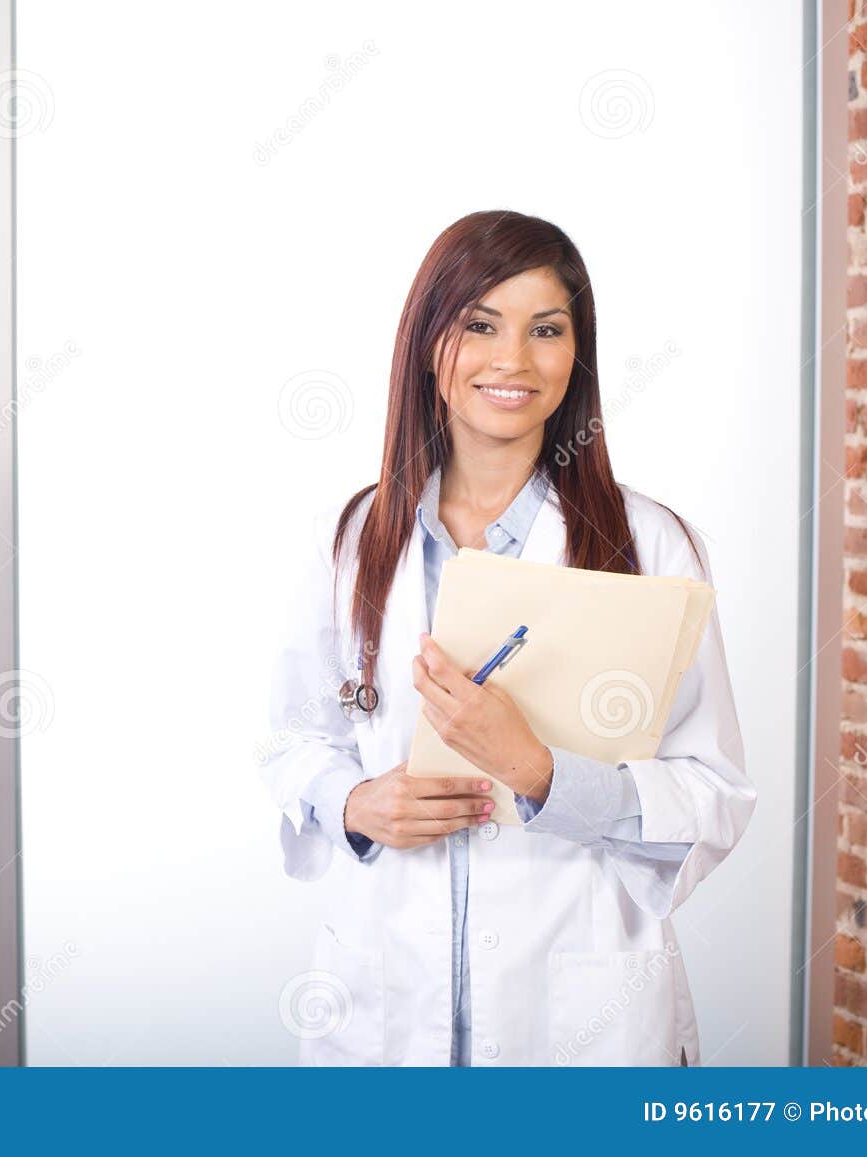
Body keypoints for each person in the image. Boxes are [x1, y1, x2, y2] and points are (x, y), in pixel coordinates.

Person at [262, 209, 755, 1066]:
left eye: (547, 330)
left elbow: (714, 792)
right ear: (429, 345)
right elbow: (293, 738)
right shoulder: (351, 539)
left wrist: (543, 774)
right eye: (481, 325)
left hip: (584, 1018)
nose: (513, 359)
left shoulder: (650, 547)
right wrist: (353, 803)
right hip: (385, 1005)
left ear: (578, 355)